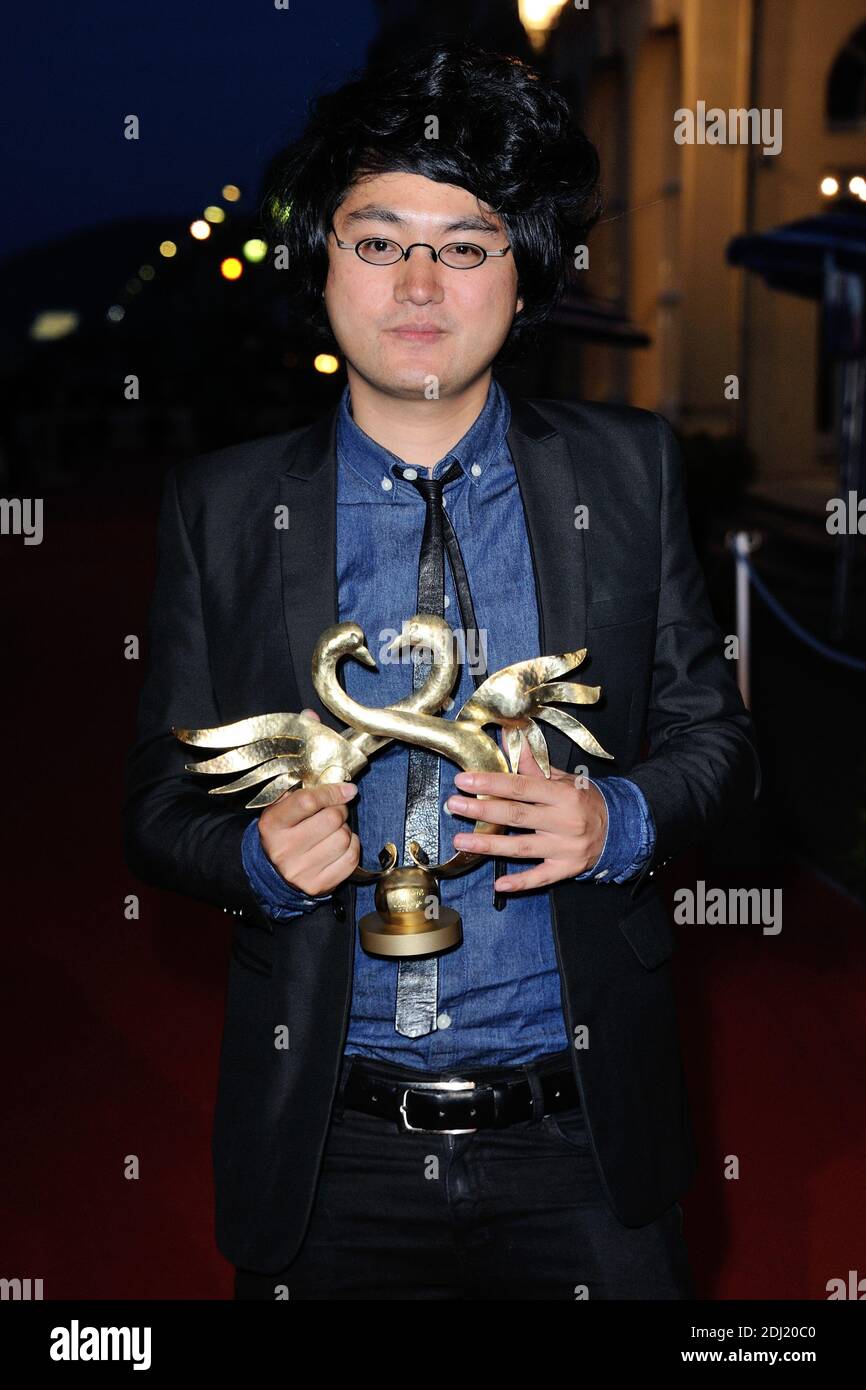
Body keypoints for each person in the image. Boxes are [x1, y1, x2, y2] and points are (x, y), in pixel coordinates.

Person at [122, 39, 760, 1300]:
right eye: (377, 239)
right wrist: (254, 860)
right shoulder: (225, 505)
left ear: (519, 280)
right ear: (322, 267)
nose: (419, 281)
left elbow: (723, 750)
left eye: (465, 245)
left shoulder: (623, 473)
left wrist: (613, 816)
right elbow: (153, 803)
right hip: (329, 1141)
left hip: (578, 1135)